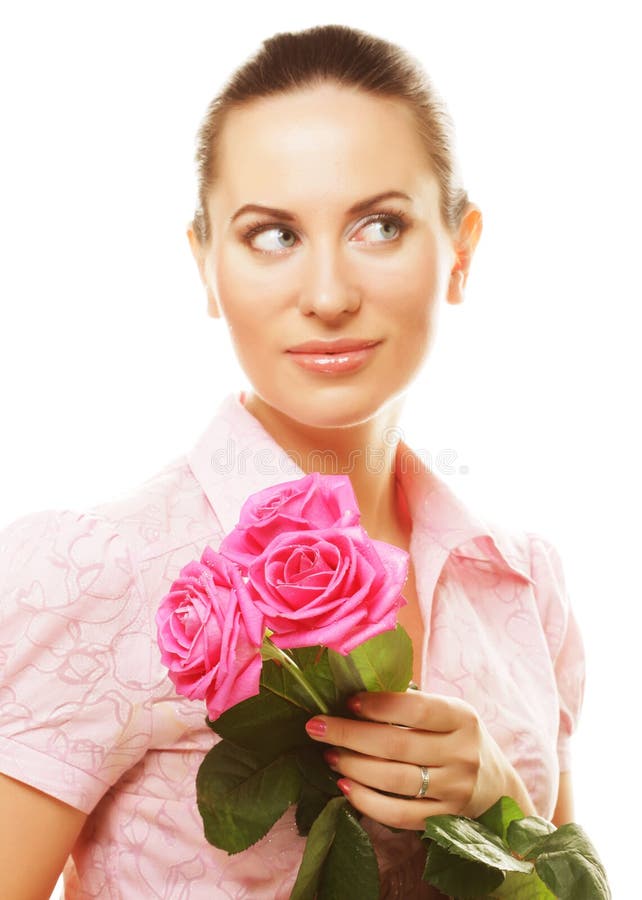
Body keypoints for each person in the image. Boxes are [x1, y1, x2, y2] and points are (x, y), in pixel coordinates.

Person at [0, 23, 585, 900]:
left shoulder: (519, 584)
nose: (326, 296)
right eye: (272, 236)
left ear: (459, 249)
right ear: (205, 265)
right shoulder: (92, 570)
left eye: (379, 226)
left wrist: (502, 805)